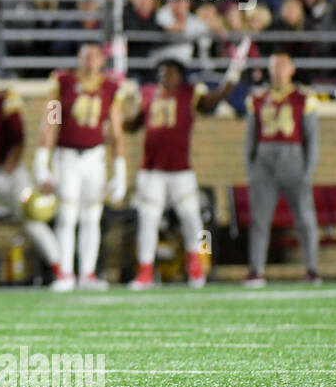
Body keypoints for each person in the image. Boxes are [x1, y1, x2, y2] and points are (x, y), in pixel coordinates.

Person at [124, 50, 243, 290]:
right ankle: (145, 271)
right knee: (148, 219)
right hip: (151, 169)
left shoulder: (190, 93)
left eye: (169, 71)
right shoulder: (147, 94)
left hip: (180, 169)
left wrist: (231, 79)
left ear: (180, 75)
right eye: (161, 72)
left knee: (192, 218)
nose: (164, 76)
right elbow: (134, 124)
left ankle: (197, 266)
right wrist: (116, 119)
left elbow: (212, 100)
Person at [35, 43, 127, 291]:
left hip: (94, 157)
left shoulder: (110, 87)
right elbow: (51, 121)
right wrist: (42, 158)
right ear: (79, 59)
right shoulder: (62, 82)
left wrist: (120, 168)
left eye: (94, 57)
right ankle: (65, 273)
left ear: (101, 60)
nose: (89, 62)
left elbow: (116, 130)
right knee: (66, 216)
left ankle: (87, 273)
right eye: (85, 56)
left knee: (91, 216)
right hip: (67, 156)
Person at [0, 58, 61, 279]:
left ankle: (60, 269)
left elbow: (18, 136)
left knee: (32, 217)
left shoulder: (4, 97)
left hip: (9, 173)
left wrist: (9, 167)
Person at [243, 52, 320, 286]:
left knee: (305, 218)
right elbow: (250, 139)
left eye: (283, 66)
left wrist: (308, 171)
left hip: (293, 158)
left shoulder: (303, 98)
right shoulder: (257, 98)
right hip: (264, 161)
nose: (278, 71)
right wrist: (251, 169)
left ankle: (312, 269)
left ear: (292, 69)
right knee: (260, 219)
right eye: (274, 67)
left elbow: (312, 139)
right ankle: (257, 270)